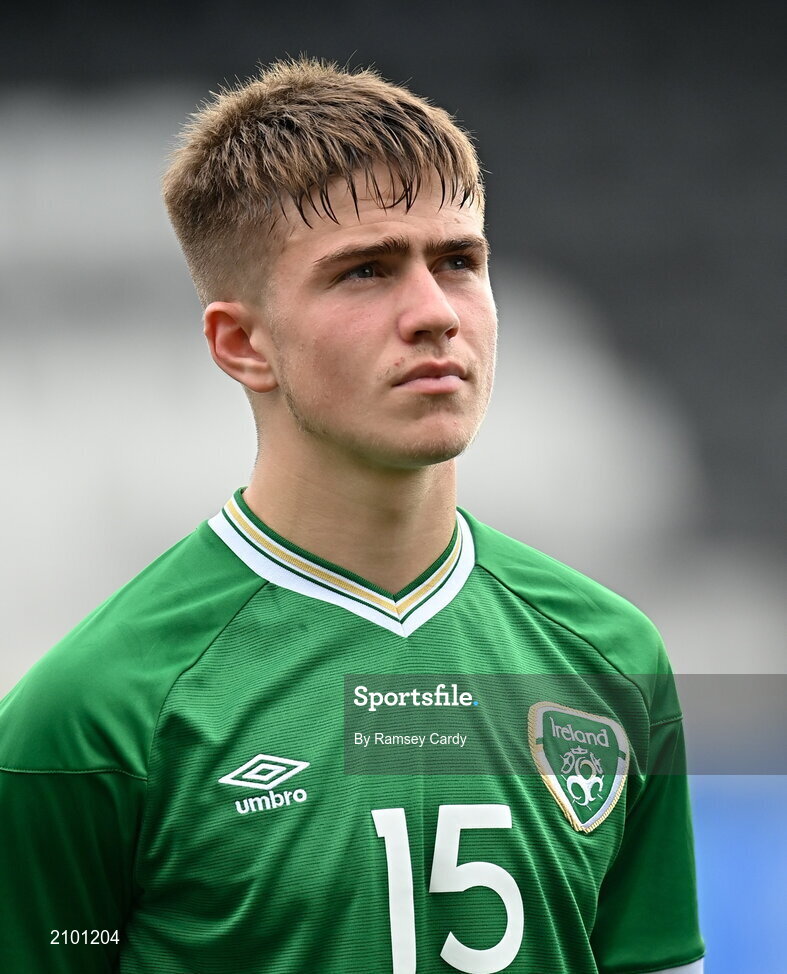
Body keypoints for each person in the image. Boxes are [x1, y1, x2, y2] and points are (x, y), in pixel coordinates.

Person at [0, 56, 704, 974]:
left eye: (458, 261)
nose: (433, 314)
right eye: (365, 272)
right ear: (242, 343)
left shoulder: (613, 659)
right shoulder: (88, 717)